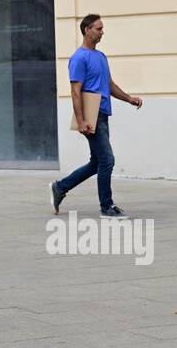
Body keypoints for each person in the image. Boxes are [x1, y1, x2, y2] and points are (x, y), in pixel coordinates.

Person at [50, 14, 141, 217]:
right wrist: (81, 120)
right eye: (98, 29)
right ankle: (106, 206)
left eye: (102, 28)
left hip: (103, 113)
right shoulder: (79, 58)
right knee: (107, 160)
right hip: (92, 115)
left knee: (97, 162)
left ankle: (60, 187)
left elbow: (109, 85)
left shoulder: (101, 57)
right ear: (86, 30)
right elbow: (75, 91)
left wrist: (129, 98)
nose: (102, 32)